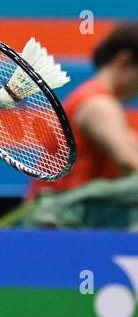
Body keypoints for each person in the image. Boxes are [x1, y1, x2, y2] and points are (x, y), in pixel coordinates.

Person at [26, 22, 138, 200]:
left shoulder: (92, 99)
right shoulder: (98, 105)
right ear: (124, 62)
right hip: (62, 219)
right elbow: (130, 163)